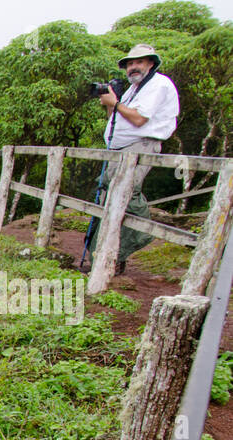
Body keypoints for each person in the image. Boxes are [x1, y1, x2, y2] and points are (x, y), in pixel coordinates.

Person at [85, 44, 181, 275]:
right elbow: (116, 118)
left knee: (126, 192)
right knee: (109, 194)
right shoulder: (133, 89)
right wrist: (111, 103)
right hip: (120, 149)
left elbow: (139, 120)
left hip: (141, 145)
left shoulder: (159, 85)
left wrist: (115, 103)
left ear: (151, 63)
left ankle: (138, 235)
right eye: (129, 63)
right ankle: (106, 256)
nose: (133, 67)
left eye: (139, 62)